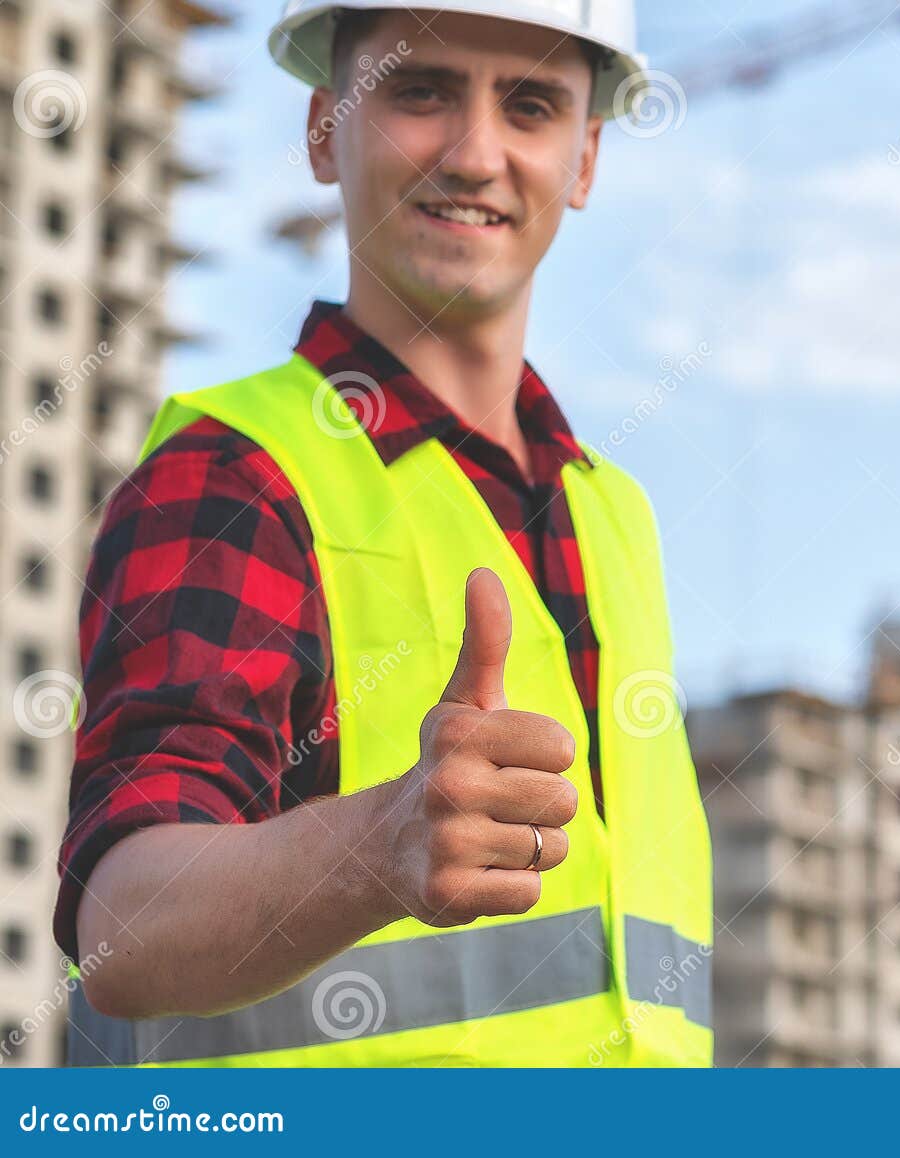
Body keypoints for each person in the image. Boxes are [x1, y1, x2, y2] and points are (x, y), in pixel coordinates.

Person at [56, 1, 712, 1068]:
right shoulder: (235, 473)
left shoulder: (613, 514)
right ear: (326, 128)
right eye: (420, 91)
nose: (475, 153)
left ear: (584, 160)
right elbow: (123, 931)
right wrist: (380, 844)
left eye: (532, 104)